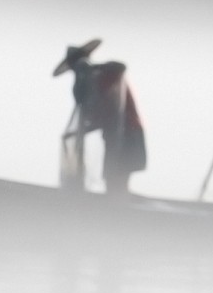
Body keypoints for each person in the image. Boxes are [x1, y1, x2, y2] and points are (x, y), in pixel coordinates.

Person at [55, 39, 146, 195]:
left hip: (129, 131)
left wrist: (93, 68)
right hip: (112, 136)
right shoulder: (83, 87)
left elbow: (120, 66)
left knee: (118, 176)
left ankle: (124, 206)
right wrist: (78, 132)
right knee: (112, 178)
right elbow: (96, 116)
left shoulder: (106, 74)